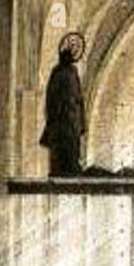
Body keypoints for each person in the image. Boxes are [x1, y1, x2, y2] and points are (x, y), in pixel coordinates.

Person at [40, 32, 87, 175]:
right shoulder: (58, 72)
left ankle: (71, 167)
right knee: (62, 146)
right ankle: (62, 168)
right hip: (62, 118)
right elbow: (52, 98)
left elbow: (79, 98)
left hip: (72, 117)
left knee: (72, 145)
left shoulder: (73, 72)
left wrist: (82, 121)